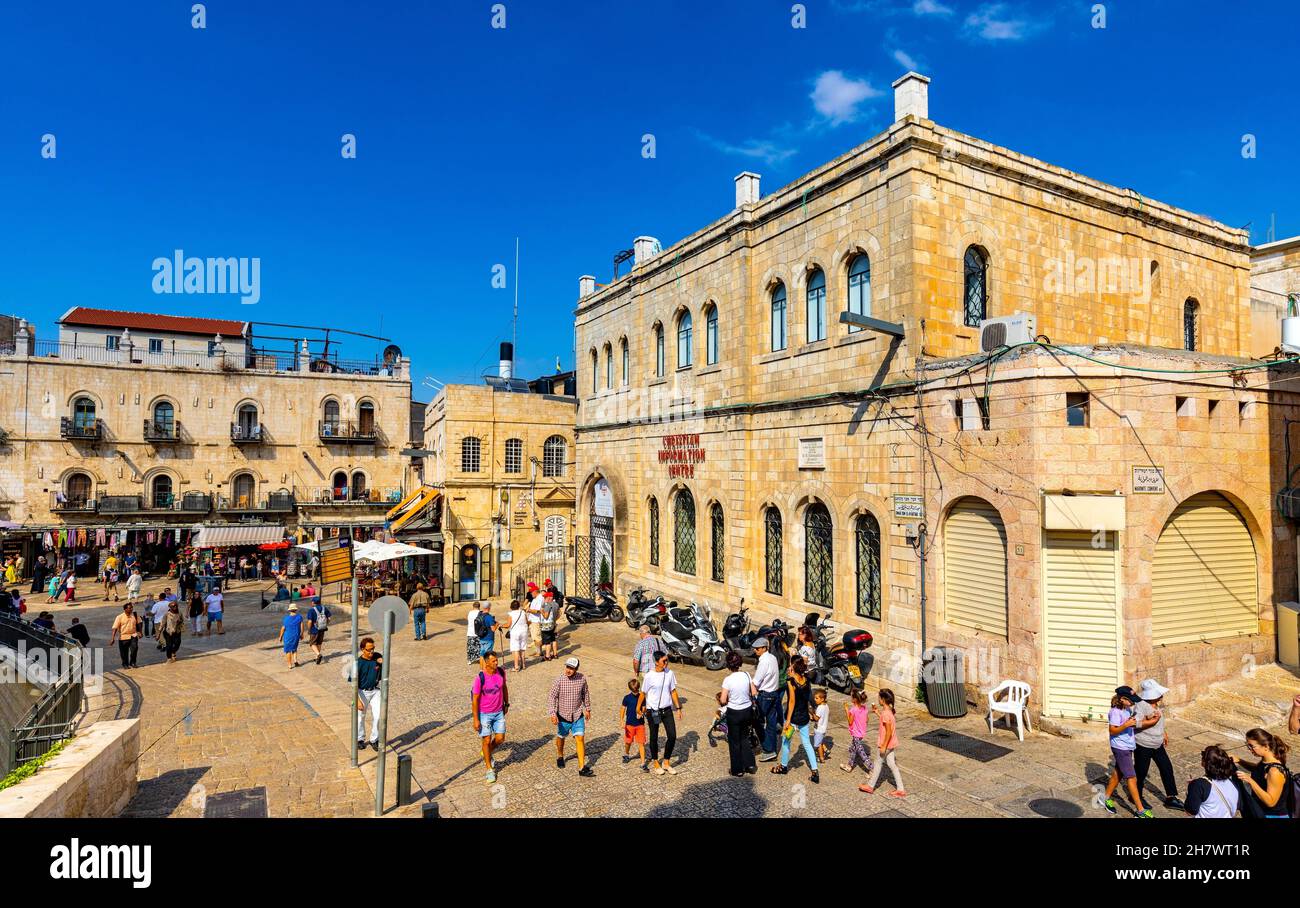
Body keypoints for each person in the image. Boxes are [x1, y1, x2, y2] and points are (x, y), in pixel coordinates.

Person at [1133, 678, 1184, 811]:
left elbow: (1159, 721)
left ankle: (1171, 797)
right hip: (1143, 745)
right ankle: (1135, 796)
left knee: (1166, 768)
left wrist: (1163, 732)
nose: (1161, 696)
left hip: (1157, 743)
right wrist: (1151, 720)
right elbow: (1135, 723)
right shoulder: (1141, 705)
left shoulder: (1156, 704)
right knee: (1141, 772)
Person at [1102, 685, 1151, 817]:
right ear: (1123, 699)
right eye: (1131, 700)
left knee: (1118, 772)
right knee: (1131, 777)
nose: (1133, 703)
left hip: (1127, 745)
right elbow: (1112, 730)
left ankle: (1105, 798)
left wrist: (1144, 721)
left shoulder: (1127, 709)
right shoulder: (1115, 712)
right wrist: (1125, 725)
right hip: (1120, 747)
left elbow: (1129, 725)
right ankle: (1140, 810)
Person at [771, 655, 819, 784]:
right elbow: (806, 697)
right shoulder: (807, 679)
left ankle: (783, 766)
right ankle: (815, 771)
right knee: (807, 743)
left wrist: (787, 720)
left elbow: (791, 701)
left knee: (786, 742)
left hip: (793, 717)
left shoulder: (790, 681)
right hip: (804, 716)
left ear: (793, 666)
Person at [638, 649, 682, 776]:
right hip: (653, 711)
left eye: (667, 660)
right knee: (654, 737)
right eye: (664, 661)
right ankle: (656, 762)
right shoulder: (649, 676)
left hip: (667, 709)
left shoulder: (670, 673)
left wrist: (678, 708)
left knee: (672, 736)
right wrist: (638, 707)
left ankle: (666, 762)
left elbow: (673, 691)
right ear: (656, 662)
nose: (666, 662)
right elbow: (643, 693)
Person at [548, 656, 594, 777]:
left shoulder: (582, 678)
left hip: (578, 715)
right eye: (567, 667)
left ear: (576, 669)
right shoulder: (559, 680)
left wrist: (588, 708)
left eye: (572, 668)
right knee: (561, 738)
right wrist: (553, 713)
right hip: (563, 716)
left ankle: (582, 767)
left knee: (580, 738)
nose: (568, 670)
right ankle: (560, 755)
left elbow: (585, 694)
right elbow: (552, 697)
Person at [1233, 728, 1291, 819]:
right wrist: (1239, 760)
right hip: (1261, 812)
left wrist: (1250, 781)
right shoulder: (1265, 763)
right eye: (1248, 746)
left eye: (1252, 746)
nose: (1250, 750)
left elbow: (1271, 802)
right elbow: (1257, 769)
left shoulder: (1274, 771)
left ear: (1266, 747)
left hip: (1273, 815)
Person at [859, 687, 906, 797]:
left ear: (883, 699)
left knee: (878, 763)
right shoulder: (888, 712)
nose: (878, 700)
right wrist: (877, 712)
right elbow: (886, 723)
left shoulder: (886, 714)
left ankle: (870, 786)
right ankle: (901, 789)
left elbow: (888, 731)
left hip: (886, 743)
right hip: (892, 743)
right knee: (892, 764)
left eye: (879, 698)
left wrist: (884, 746)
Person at [472, 651, 510, 783]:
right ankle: (489, 769)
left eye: (496, 660)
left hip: (499, 711)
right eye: (493, 661)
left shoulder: (501, 672)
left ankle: (487, 752)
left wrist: (507, 703)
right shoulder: (480, 678)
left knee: (500, 739)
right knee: (486, 740)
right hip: (484, 714)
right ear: (487, 662)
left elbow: (504, 687)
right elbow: (475, 699)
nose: (496, 663)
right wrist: (476, 719)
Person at [718, 650, 757, 777]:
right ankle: (750, 765)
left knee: (734, 741)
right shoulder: (746, 675)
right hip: (747, 710)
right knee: (744, 737)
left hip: (734, 712)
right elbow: (754, 692)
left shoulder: (728, 680)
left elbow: (723, 699)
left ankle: (737, 769)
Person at [1184, 745, 1240, 818]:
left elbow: (1190, 811)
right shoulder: (1232, 783)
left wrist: (1192, 789)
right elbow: (1237, 806)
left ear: (1204, 763)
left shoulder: (1198, 785)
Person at [752, 637, 782, 762]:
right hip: (774, 694)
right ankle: (772, 750)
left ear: (764, 648)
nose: (755, 651)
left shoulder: (763, 661)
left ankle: (768, 749)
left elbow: (756, 681)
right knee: (771, 723)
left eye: (757, 649)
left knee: (757, 722)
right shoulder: (772, 658)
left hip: (765, 696)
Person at [355, 636, 383, 751]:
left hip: (375, 691)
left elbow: (381, 659)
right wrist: (356, 700)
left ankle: (374, 739)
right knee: (360, 717)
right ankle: (360, 739)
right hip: (362, 692)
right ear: (362, 649)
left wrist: (381, 661)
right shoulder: (358, 663)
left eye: (373, 648)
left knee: (378, 716)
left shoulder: (376, 656)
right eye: (369, 649)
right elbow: (353, 684)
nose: (372, 651)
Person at [840, 688, 874, 775]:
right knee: (853, 749)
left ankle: (871, 767)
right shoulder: (864, 708)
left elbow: (850, 722)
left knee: (860, 751)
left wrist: (847, 710)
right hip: (861, 733)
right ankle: (849, 765)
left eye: (851, 697)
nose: (851, 698)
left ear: (855, 699)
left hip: (856, 733)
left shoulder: (853, 709)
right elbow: (867, 720)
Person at [620, 678, 647, 769]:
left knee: (641, 743)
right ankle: (626, 754)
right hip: (629, 724)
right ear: (630, 689)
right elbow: (623, 709)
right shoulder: (626, 698)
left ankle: (643, 763)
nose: (635, 692)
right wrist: (621, 720)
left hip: (640, 724)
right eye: (633, 691)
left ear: (639, 688)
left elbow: (644, 707)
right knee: (628, 742)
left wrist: (642, 713)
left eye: (637, 690)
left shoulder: (642, 697)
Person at [108, 602, 142, 669]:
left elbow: (139, 623)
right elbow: (115, 628)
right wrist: (112, 638)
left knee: (134, 649)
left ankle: (133, 662)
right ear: (125, 609)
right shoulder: (119, 617)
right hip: (123, 637)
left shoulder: (135, 615)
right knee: (124, 652)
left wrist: (140, 632)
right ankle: (125, 664)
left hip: (133, 635)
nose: (131, 609)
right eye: (130, 608)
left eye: (132, 608)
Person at [505, 598, 529, 671]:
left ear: (511, 607)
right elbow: (527, 621)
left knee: (516, 649)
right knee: (522, 648)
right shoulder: (523, 612)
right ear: (519, 606)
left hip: (515, 632)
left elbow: (508, 625)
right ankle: (523, 664)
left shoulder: (511, 614)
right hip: (524, 631)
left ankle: (516, 666)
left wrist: (501, 626)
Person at [158, 599, 185, 663]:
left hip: (177, 631)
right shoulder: (167, 614)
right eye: (173, 606)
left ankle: (173, 652)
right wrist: (158, 634)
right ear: (170, 607)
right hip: (168, 632)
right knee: (169, 645)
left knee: (177, 643)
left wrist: (179, 622)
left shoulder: (179, 613)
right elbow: (162, 624)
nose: (175, 607)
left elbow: (182, 620)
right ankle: (169, 657)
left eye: (176, 606)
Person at [278, 602, 304, 669]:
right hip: (296, 635)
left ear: (289, 610)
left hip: (288, 636)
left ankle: (289, 664)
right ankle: (295, 660)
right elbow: (302, 626)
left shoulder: (286, 619)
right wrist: (301, 634)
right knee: (294, 648)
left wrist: (280, 636)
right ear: (296, 610)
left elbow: (283, 628)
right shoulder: (299, 617)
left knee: (288, 650)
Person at [305, 596, 330, 665]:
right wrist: (325, 624)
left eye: (312, 601)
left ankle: (318, 654)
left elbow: (310, 621)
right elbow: (329, 618)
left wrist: (309, 629)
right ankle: (317, 657)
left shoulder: (312, 610)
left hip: (314, 629)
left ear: (313, 602)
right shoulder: (324, 608)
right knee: (319, 643)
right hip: (322, 628)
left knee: (312, 643)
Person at [538, 591, 560, 661]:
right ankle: (555, 654)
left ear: (549, 597)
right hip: (553, 624)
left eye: (545, 597)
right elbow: (560, 613)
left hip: (546, 626)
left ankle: (547, 656)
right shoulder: (556, 604)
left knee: (547, 641)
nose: (545, 599)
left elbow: (546, 616)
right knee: (553, 639)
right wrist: (555, 619)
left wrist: (541, 611)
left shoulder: (548, 605)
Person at [812, 688, 831, 765]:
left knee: (817, 745)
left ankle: (821, 758)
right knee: (820, 741)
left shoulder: (820, 708)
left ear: (822, 699)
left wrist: (812, 712)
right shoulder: (826, 706)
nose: (815, 699)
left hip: (819, 729)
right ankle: (826, 750)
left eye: (817, 698)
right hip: (823, 728)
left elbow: (816, 718)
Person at [526, 583, 545, 658]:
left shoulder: (540, 598)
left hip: (536, 621)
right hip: (532, 620)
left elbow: (538, 611)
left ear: (535, 591)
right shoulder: (535, 598)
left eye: (531, 592)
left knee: (537, 637)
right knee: (534, 637)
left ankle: (539, 652)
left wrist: (529, 610)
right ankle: (537, 651)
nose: (531, 594)